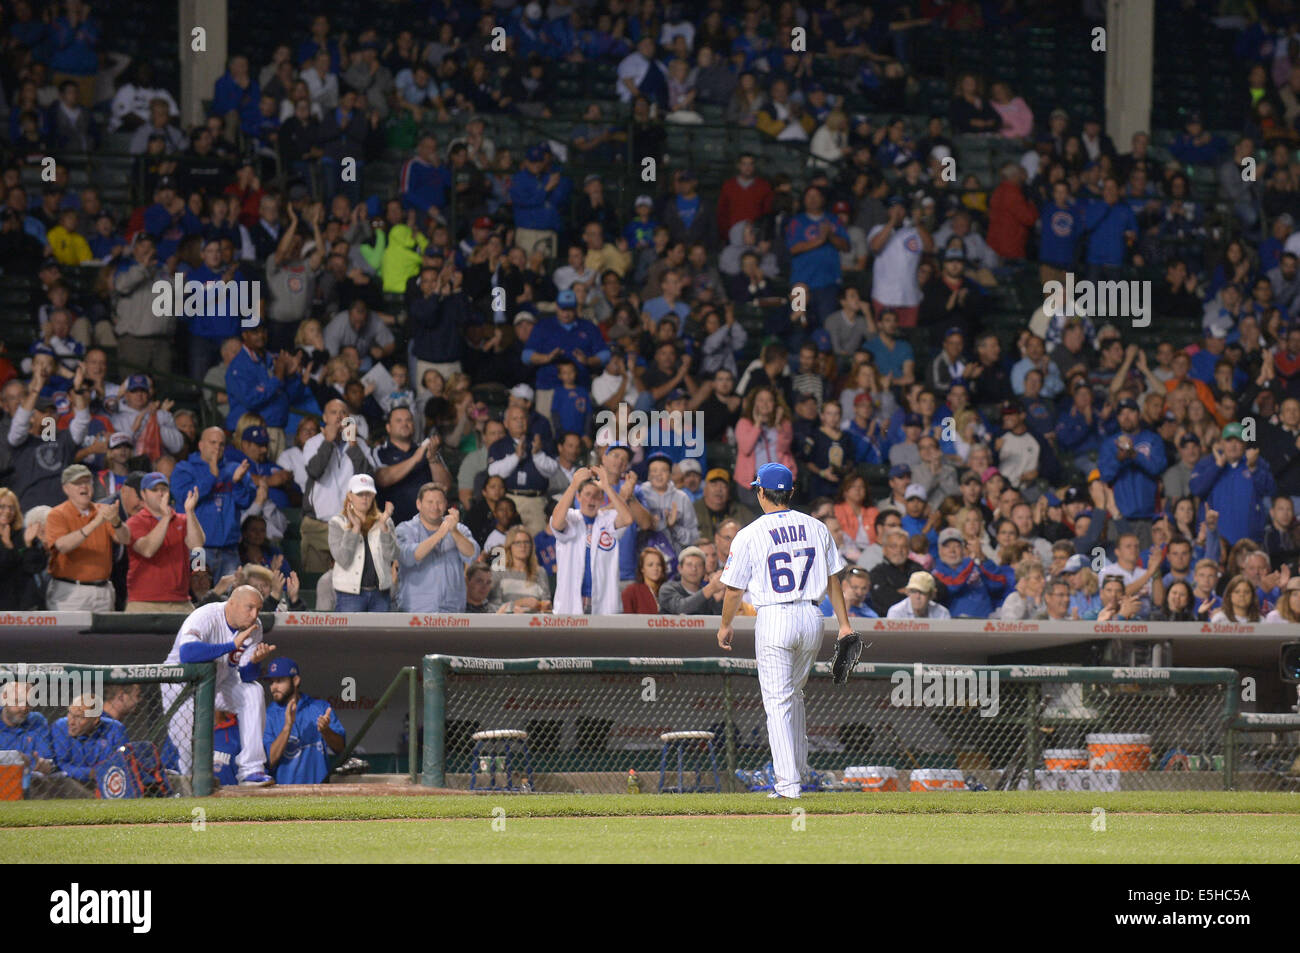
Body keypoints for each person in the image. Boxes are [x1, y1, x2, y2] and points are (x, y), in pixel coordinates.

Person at [716, 462, 854, 800]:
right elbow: (834, 579)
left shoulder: (749, 533)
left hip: (775, 617)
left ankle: (788, 785)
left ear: (762, 492)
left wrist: (725, 625)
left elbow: (733, 590)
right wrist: (845, 624)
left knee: (777, 703)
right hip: (812, 617)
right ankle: (799, 771)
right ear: (790, 493)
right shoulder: (817, 527)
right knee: (793, 696)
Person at [161, 585, 277, 786]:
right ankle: (184, 783)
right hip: (182, 685)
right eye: (249, 608)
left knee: (253, 691)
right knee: (190, 758)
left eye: (258, 609)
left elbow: (246, 675)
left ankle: (251, 770)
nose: (254, 614)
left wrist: (255, 662)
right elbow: (188, 653)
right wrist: (232, 645)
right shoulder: (205, 616)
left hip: (220, 679)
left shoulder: (254, 627)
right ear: (231, 603)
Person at [300, 398, 376, 572]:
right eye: (334, 412)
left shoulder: (359, 444)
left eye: (343, 413)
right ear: (325, 418)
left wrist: (353, 446)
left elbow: (368, 479)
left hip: (352, 525)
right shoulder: (313, 443)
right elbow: (314, 471)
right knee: (316, 580)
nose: (339, 416)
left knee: (351, 582)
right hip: (318, 526)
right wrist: (328, 442)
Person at [43, 464, 131, 611]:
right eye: (77, 483)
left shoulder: (102, 510)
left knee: (103, 634)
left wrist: (116, 521)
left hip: (103, 591)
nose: (83, 487)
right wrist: (95, 523)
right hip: (70, 592)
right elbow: (63, 546)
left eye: (87, 482)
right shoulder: (57, 514)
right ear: (66, 488)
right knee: (67, 635)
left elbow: (125, 539)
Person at [551, 465, 635, 615]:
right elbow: (556, 522)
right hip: (570, 603)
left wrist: (608, 488)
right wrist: (573, 485)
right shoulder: (570, 518)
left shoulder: (608, 520)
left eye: (597, 495)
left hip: (603, 603)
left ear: (602, 500)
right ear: (578, 497)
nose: (591, 499)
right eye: (587, 494)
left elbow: (627, 519)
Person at [125, 472, 205, 612]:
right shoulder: (135, 522)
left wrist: (190, 511)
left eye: (164, 489)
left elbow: (197, 545)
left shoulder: (182, 519)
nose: (160, 494)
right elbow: (148, 550)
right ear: (143, 494)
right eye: (154, 490)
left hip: (180, 601)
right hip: (143, 602)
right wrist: (165, 518)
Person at [395, 483, 480, 612]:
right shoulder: (405, 529)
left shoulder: (459, 529)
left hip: (452, 610)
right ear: (419, 504)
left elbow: (472, 554)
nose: (435, 507)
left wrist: (454, 531)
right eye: (430, 502)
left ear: (446, 504)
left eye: (439, 502)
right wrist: (440, 534)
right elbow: (408, 557)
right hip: (415, 610)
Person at [263, 657, 345, 785]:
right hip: (284, 796)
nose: (274, 687)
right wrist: (287, 727)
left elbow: (341, 748)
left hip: (320, 792)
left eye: (279, 681)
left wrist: (326, 731)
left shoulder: (320, 707)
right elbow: (270, 760)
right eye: (271, 682)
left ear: (295, 680)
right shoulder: (268, 715)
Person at [328, 473, 398, 612]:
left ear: (373, 496)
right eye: (360, 494)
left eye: (369, 493)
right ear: (350, 496)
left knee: (380, 634)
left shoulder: (385, 521)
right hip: (349, 595)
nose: (365, 498)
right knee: (349, 634)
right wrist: (355, 529)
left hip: (380, 593)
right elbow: (343, 559)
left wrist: (384, 527)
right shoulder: (337, 523)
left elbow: (391, 556)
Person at [50, 694, 129, 790]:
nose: (71, 722)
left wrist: (99, 773)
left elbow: (122, 764)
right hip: (72, 784)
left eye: (79, 717)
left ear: (95, 720)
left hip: (109, 783)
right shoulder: (60, 727)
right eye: (70, 713)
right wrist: (90, 773)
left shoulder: (115, 729)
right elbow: (61, 765)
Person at [0, 488, 48, 610]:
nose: (7, 511)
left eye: (11, 508)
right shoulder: (9, 539)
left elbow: (34, 568)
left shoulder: (24, 534)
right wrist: (8, 546)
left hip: (23, 605)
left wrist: (28, 544)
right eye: (2, 506)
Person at [489, 525, 552, 613]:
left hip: (533, 623)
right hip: (505, 623)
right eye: (518, 543)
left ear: (531, 546)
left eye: (526, 542)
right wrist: (518, 603)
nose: (523, 546)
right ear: (510, 546)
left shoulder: (540, 572)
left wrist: (542, 606)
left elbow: (546, 605)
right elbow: (492, 607)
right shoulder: (498, 571)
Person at [658, 545, 726, 615]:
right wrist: (710, 588)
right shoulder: (667, 589)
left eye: (699, 565)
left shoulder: (709, 594)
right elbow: (680, 608)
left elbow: (718, 621)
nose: (694, 569)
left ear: (704, 570)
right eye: (689, 565)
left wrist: (717, 601)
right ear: (680, 568)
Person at [886, 571, 952, 619]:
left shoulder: (942, 613)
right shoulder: (896, 612)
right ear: (908, 593)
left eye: (922, 592)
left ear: (931, 595)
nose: (917, 596)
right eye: (913, 591)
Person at [622, 547, 667, 613]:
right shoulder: (631, 591)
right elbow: (627, 621)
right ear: (642, 568)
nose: (655, 568)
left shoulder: (669, 590)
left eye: (659, 565)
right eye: (650, 565)